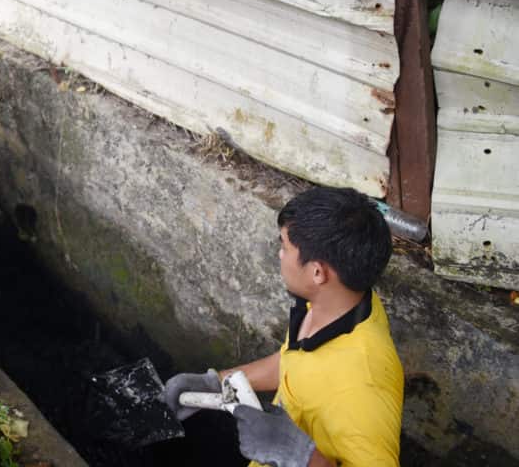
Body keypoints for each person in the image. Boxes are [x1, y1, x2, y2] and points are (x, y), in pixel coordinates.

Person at [163, 187, 403, 467]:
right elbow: (295, 366)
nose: (279, 255)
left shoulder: (362, 387)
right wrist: (217, 382)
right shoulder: (341, 301)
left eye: (285, 247)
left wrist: (303, 458)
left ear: (317, 272)